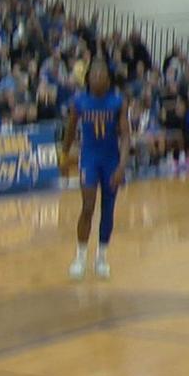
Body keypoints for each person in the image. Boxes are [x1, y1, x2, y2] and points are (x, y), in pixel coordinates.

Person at [62, 61, 129, 280]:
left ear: (108, 80)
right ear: (88, 78)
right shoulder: (79, 101)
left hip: (111, 161)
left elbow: (125, 136)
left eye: (102, 75)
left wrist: (122, 165)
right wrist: (64, 156)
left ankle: (101, 257)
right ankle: (80, 257)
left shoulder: (118, 101)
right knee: (88, 206)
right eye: (94, 75)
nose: (97, 78)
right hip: (89, 159)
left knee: (108, 209)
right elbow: (70, 129)